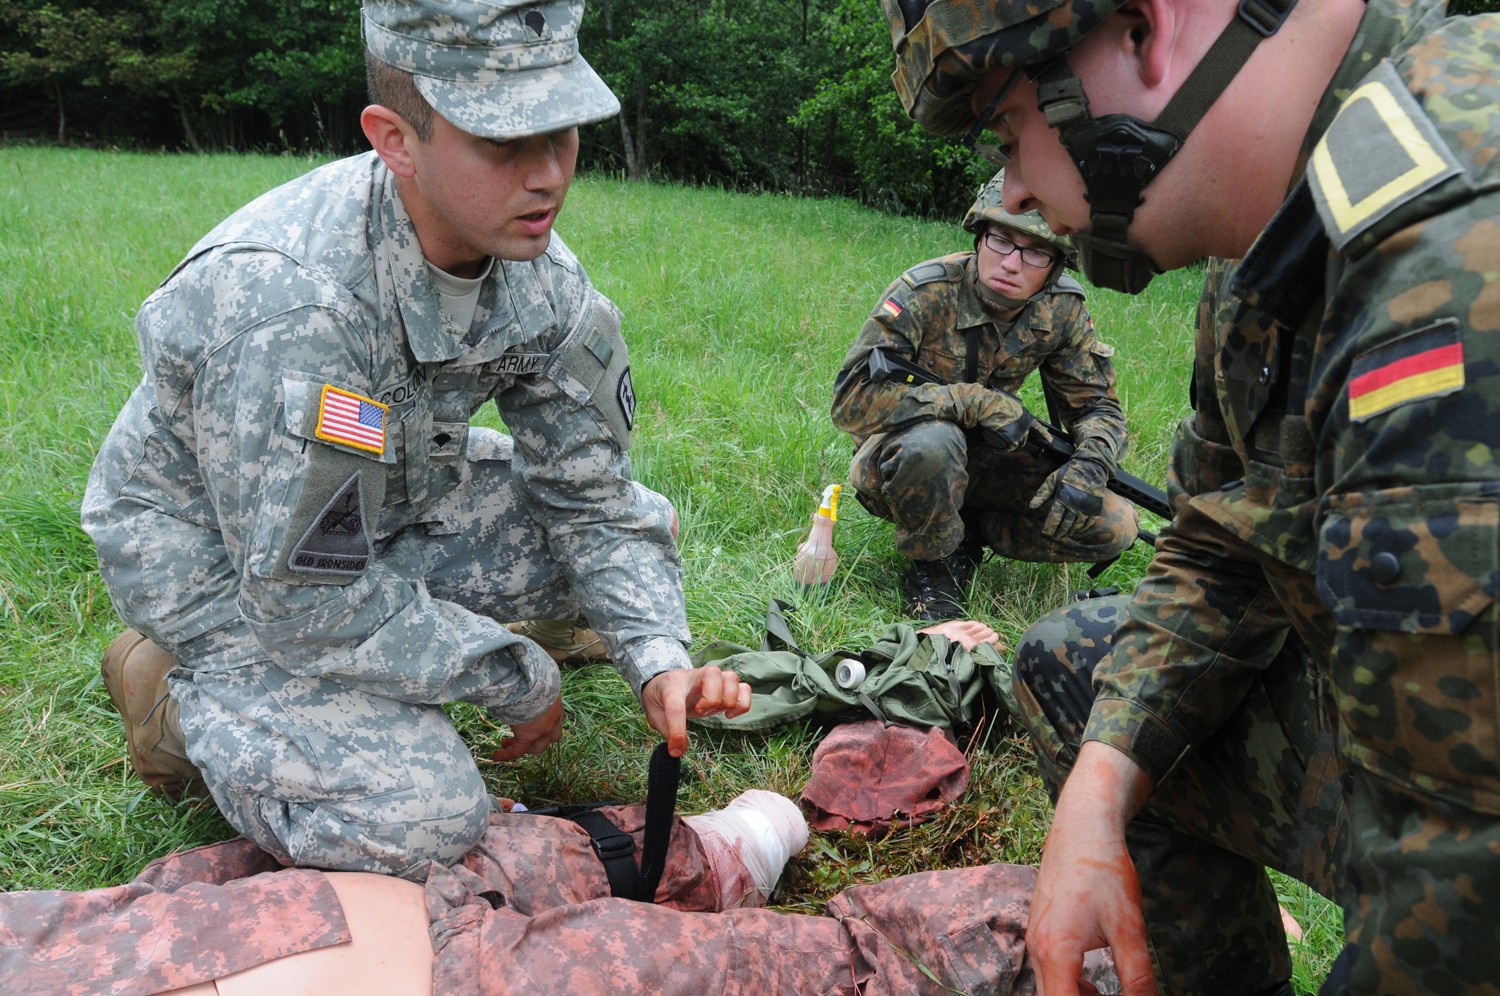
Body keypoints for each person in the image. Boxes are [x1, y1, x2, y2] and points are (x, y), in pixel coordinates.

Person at [882, 0, 1500, 994]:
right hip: (1414, 755)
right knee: (1081, 674)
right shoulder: (1284, 231)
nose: (1020, 196)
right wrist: (1101, 779)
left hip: (1465, 823)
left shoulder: (1455, 255)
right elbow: (1219, 539)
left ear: (1144, 31)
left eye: (1010, 135)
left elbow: (1470, 875)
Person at [80, 0, 751, 880]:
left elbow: (594, 501)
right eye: (505, 143)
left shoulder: (539, 276)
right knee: (423, 818)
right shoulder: (293, 307)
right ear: (396, 138)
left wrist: (659, 659)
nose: (549, 175)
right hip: (219, 561)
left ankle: (400, 646)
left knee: (635, 541)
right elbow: (301, 601)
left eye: (565, 134)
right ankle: (177, 696)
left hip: (377, 498)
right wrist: (510, 672)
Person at [0, 787, 1121, 995]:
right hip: (501, 981)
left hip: (379, 888)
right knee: (849, 968)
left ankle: (762, 828)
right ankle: (1131, 928)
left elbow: (162, 889)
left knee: (668, 848)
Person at [831, 175, 1135, 620]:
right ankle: (932, 568)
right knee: (934, 443)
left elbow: (1095, 406)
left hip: (989, 458)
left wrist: (1090, 466)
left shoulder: (1062, 308)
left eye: (1035, 252)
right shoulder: (926, 292)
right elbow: (851, 400)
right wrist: (970, 401)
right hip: (902, 459)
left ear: (1056, 265)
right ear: (978, 237)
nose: (1012, 263)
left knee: (1116, 524)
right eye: (1001, 241)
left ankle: (966, 536)